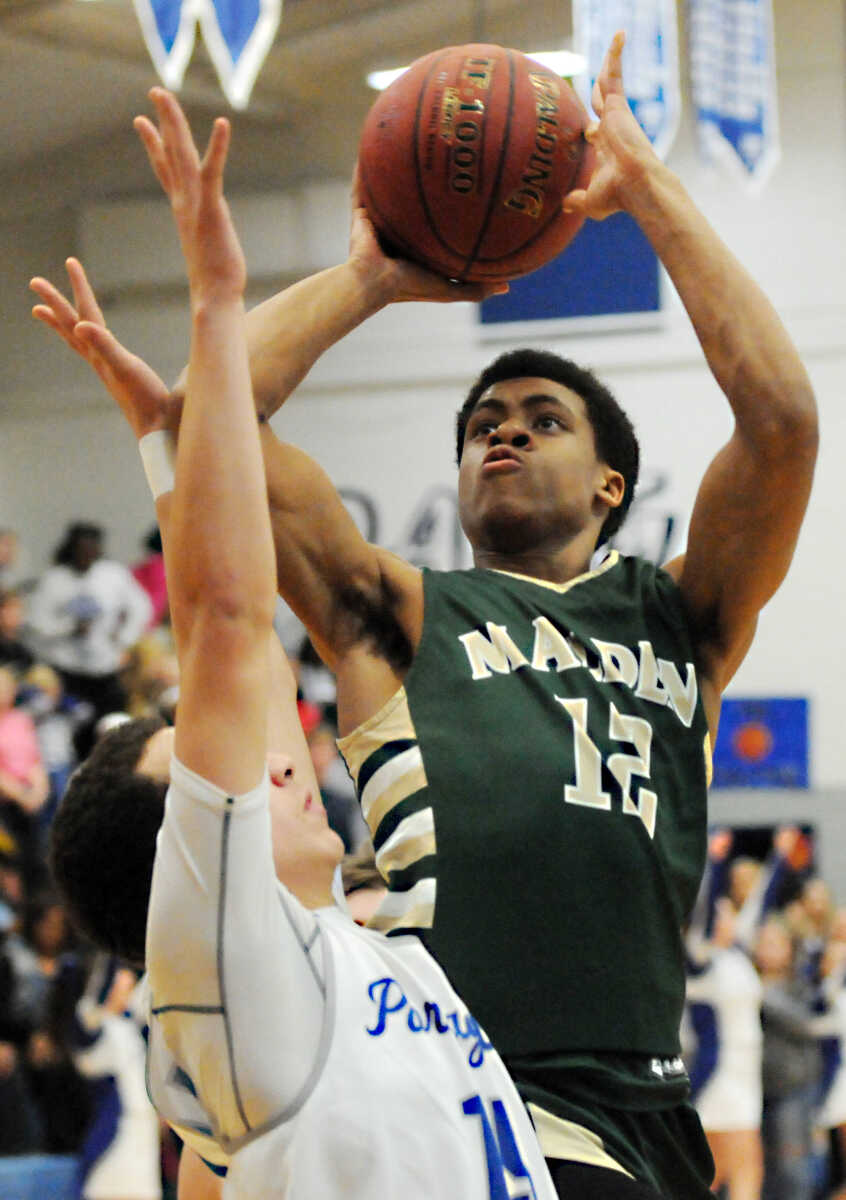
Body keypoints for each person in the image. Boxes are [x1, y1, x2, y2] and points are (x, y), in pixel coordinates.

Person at [32, 31, 817, 1199]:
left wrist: (649, 190)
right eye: (481, 422)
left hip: (645, 1122)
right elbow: (210, 422)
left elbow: (782, 424)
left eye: (542, 417)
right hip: (452, 1090)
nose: (499, 429)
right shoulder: (394, 610)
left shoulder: (681, 616)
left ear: (613, 485)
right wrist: (373, 279)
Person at [40, 88, 556, 1200]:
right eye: (224, 777)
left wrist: (168, 453)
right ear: (191, 868)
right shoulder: (232, 971)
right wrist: (217, 307)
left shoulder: (332, 956)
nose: (280, 761)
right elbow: (226, 626)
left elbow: (257, 663)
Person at [26, 520, 152, 757]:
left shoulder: (113, 575)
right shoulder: (55, 579)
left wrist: (124, 639)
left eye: (91, 549)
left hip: (106, 666)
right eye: (80, 549)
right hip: (67, 669)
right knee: (74, 730)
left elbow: (141, 608)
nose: (86, 555)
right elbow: (36, 621)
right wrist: (67, 628)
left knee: (112, 724)